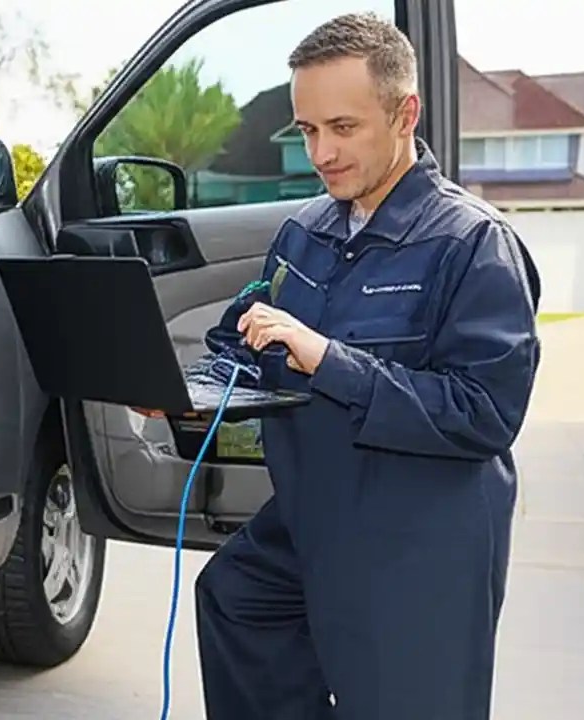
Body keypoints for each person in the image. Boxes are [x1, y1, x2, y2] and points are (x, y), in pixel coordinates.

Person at [191, 12, 541, 720]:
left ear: (404, 112)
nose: (321, 152)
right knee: (234, 602)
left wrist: (328, 361)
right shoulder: (305, 232)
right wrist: (187, 389)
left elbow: (484, 414)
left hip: (416, 540)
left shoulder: (473, 243)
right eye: (308, 130)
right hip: (313, 518)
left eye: (342, 128)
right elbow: (246, 337)